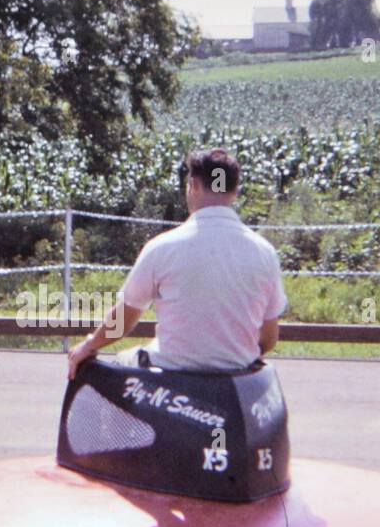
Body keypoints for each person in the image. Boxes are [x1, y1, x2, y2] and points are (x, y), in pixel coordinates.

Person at [66, 148, 287, 378]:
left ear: (192, 185)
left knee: (122, 361)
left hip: (172, 375)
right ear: (235, 192)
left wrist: (89, 345)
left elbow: (122, 320)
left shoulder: (163, 247)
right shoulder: (265, 253)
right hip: (235, 379)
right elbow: (269, 339)